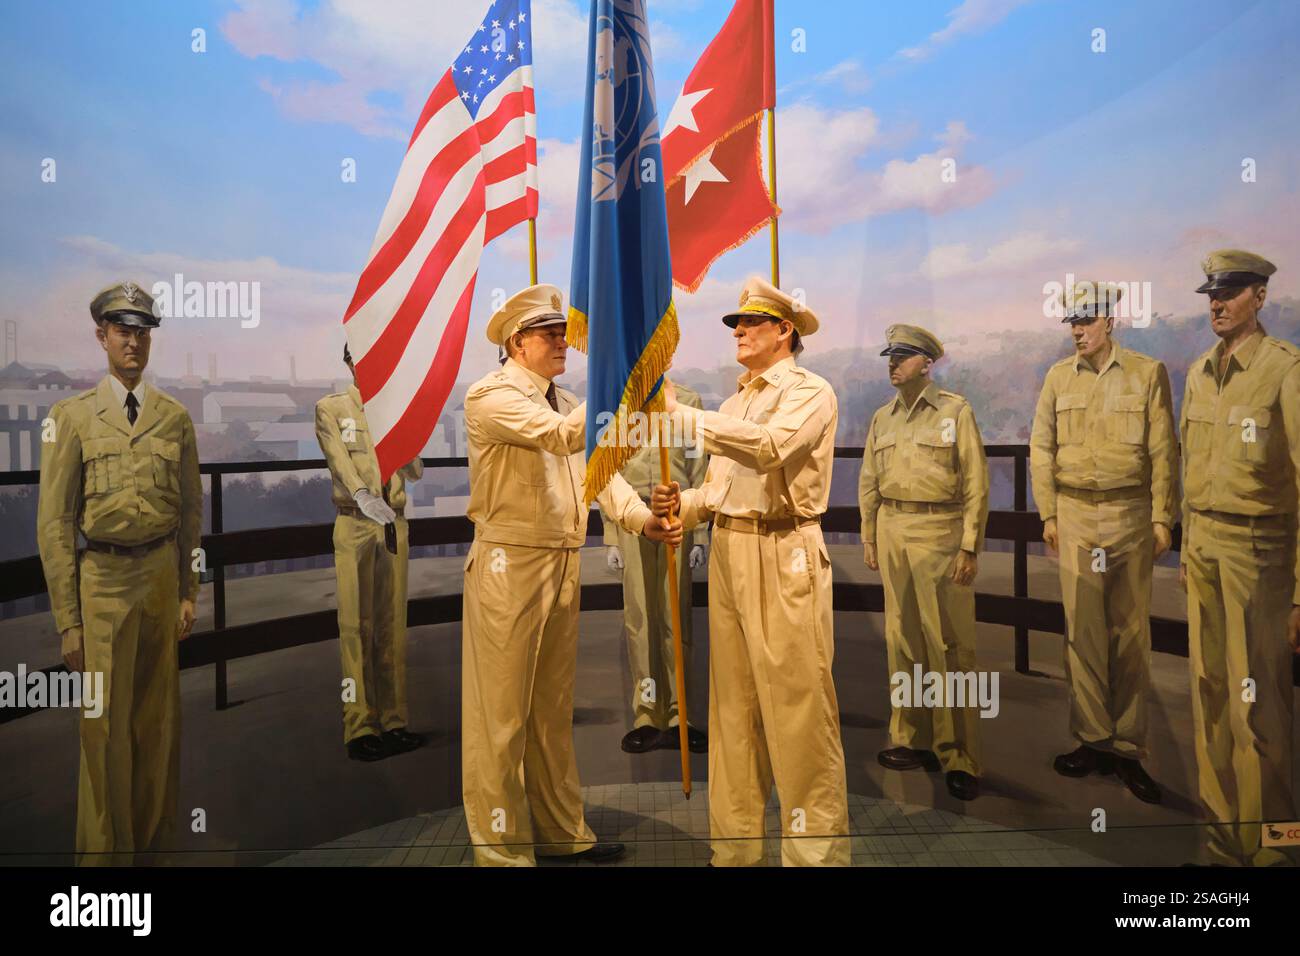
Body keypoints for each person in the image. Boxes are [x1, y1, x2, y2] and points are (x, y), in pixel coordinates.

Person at [461, 283, 682, 867]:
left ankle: (563, 835)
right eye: (549, 333)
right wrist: (622, 373)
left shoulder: (560, 401)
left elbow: (597, 471)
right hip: (509, 565)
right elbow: (564, 438)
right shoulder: (490, 396)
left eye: (564, 332)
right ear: (516, 341)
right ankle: (503, 853)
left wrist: (641, 520)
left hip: (558, 563)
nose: (563, 342)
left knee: (550, 715)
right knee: (500, 720)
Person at [653, 275, 850, 866]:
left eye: (751, 323)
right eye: (736, 324)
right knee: (733, 716)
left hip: (785, 550)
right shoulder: (735, 403)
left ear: (785, 330)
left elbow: (768, 448)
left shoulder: (810, 392)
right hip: (730, 550)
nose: (738, 331)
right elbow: (715, 492)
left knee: (798, 714)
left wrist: (683, 416)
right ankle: (734, 853)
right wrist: (675, 509)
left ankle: (814, 859)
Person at [37, 280, 202, 864]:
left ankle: (154, 857)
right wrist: (69, 622)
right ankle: (105, 874)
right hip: (101, 583)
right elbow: (54, 524)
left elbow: (188, 512)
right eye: (122, 331)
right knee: (103, 733)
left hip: (160, 577)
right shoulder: (72, 417)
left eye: (142, 332)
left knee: (157, 730)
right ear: (102, 336)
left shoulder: (174, 418)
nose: (133, 341)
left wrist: (187, 590)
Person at [1029, 280, 1178, 804]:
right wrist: (1048, 510)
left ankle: (1129, 749)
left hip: (1129, 515)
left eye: (1087, 320)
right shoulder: (1057, 379)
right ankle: (1093, 740)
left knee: (1130, 636)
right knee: (1083, 634)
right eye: (1072, 321)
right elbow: (1041, 447)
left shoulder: (1145, 373)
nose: (1078, 329)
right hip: (1074, 515)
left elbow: (1164, 450)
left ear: (1110, 322)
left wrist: (1164, 518)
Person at [1180, 249, 1299, 866]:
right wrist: (1186, 543)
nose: (1217, 304)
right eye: (1211, 294)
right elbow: (1189, 466)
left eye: (1229, 292)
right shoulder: (1201, 371)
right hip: (1204, 547)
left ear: (1259, 296)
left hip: (1261, 553)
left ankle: (1279, 852)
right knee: (1212, 698)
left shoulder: (1284, 371)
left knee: (1263, 710)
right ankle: (1225, 847)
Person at [859, 323, 989, 801]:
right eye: (890, 356)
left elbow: (976, 481)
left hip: (940, 531)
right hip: (894, 529)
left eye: (902, 356)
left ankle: (959, 754)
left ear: (927, 363)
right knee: (903, 641)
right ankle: (912, 737)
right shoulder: (883, 418)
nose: (892, 364)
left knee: (950, 647)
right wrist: (869, 534)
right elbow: (870, 479)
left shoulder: (955, 412)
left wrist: (970, 545)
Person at [314, 345, 425, 761]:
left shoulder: (392, 410)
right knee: (355, 626)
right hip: (356, 524)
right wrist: (362, 496)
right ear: (349, 362)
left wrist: (407, 426)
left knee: (392, 626)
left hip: (394, 522)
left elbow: (414, 471)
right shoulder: (333, 408)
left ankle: (394, 720)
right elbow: (340, 463)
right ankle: (359, 725)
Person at [600, 376, 709, 755]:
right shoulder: (615, 403)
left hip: (680, 516)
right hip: (632, 519)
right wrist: (612, 535)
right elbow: (607, 470)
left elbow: (699, 469)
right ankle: (648, 714)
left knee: (676, 618)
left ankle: (681, 714)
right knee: (640, 620)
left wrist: (701, 532)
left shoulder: (688, 400)